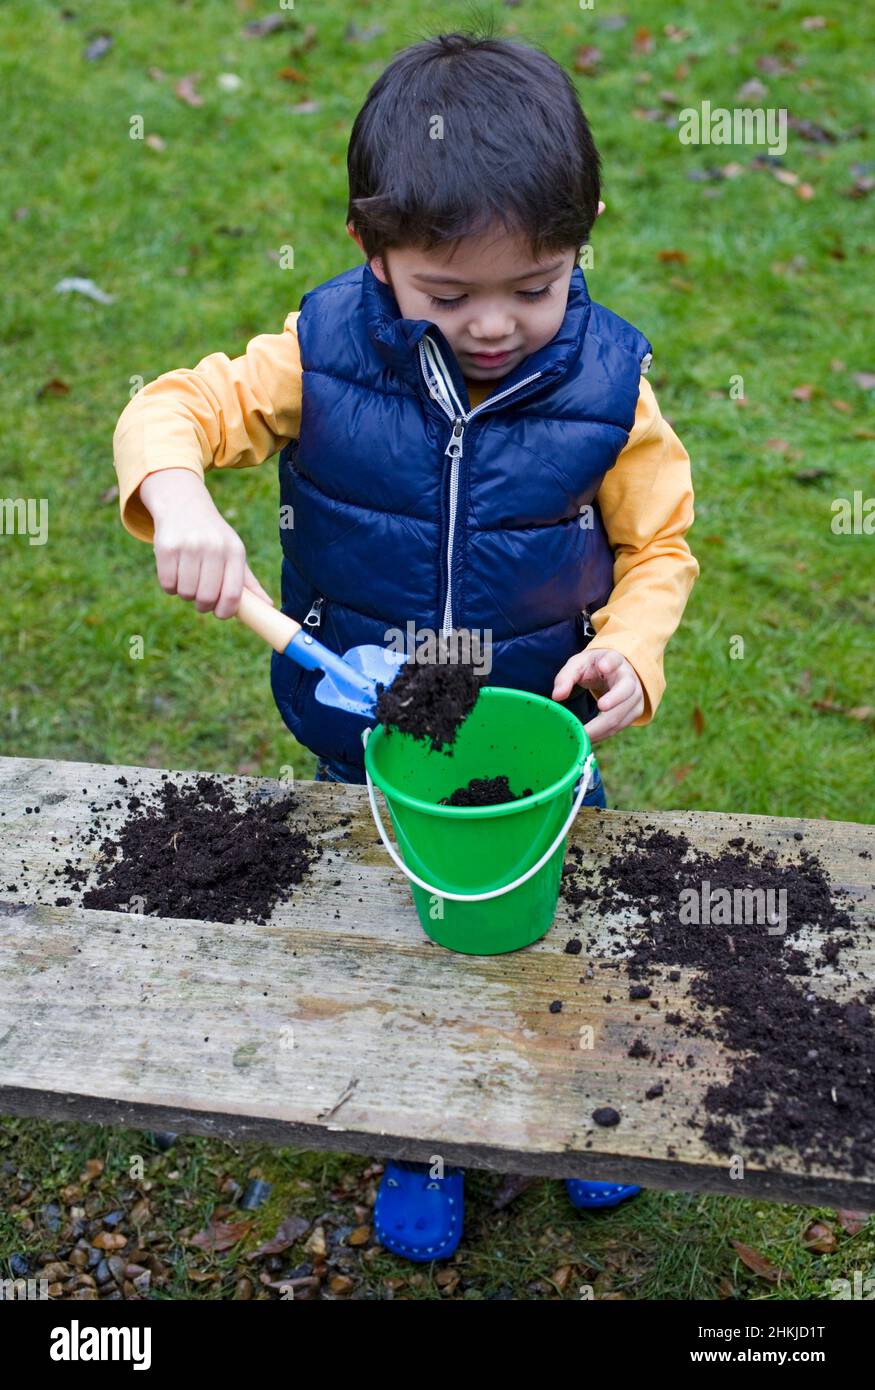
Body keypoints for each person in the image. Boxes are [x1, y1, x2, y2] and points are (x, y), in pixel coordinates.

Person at [113, 30, 700, 1263]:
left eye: (535, 284)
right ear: (371, 251)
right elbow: (173, 406)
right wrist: (176, 493)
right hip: (368, 731)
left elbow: (658, 552)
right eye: (447, 293)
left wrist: (631, 657)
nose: (494, 323)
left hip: (538, 733)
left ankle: (563, 1115)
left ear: (581, 238)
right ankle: (419, 1127)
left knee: (541, 936)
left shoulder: (608, 386)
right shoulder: (317, 355)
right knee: (400, 942)